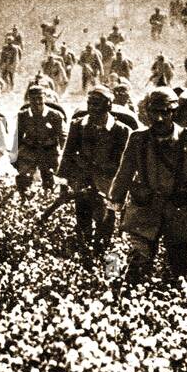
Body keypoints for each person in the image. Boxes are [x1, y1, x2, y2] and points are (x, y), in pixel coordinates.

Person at [108, 87, 187, 287]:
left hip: (179, 212)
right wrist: (116, 199)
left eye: (165, 113)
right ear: (148, 112)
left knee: (180, 272)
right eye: (154, 112)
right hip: (145, 210)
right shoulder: (137, 139)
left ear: (174, 112)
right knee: (137, 268)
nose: (159, 119)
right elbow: (124, 172)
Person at [57, 86, 130, 255]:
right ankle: (85, 257)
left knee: (105, 225)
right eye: (89, 103)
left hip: (107, 185)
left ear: (108, 106)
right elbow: (67, 155)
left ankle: (102, 253)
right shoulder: (79, 126)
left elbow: (124, 165)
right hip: (82, 183)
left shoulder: (121, 131)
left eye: (97, 104)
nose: (92, 108)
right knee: (83, 222)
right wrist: (63, 184)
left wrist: (120, 192)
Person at [13, 83, 66, 192]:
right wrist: (15, 155)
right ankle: (25, 197)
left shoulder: (55, 116)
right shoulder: (23, 115)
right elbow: (18, 135)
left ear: (44, 98)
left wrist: (63, 156)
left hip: (49, 150)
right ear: (29, 99)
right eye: (33, 99)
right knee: (24, 179)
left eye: (40, 98)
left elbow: (63, 137)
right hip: (30, 149)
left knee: (49, 180)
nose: (37, 102)